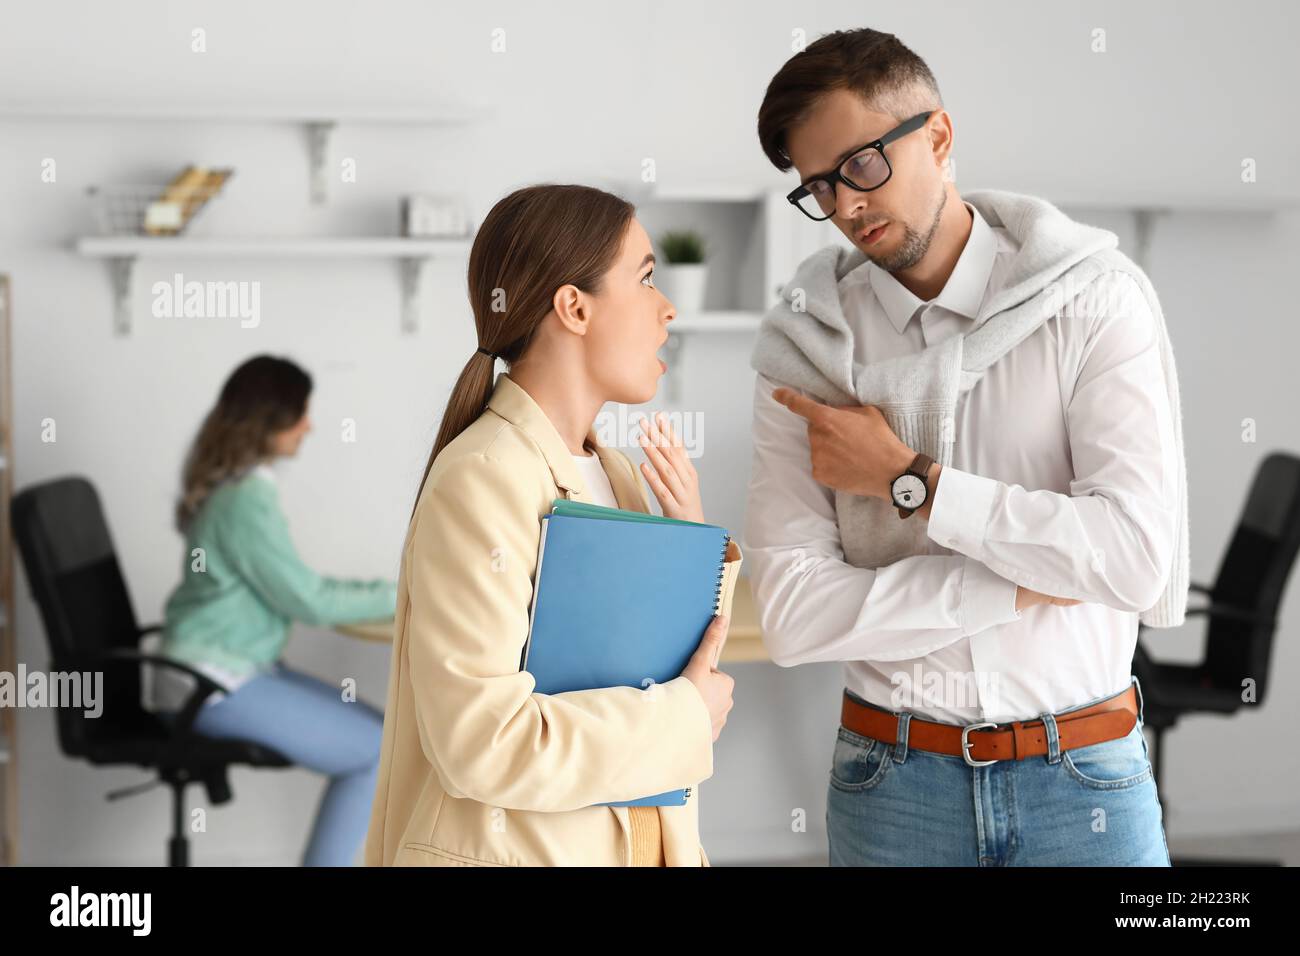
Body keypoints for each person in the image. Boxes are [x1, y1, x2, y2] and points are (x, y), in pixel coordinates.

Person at [746, 28, 1184, 865]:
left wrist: (912, 483)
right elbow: (796, 618)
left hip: (1085, 778)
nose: (845, 207)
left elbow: (1134, 558)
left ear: (937, 138)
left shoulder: (1093, 302)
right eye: (819, 188)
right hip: (892, 788)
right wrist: (1018, 584)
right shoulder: (804, 350)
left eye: (862, 166)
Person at [365, 183, 742, 867]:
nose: (669, 307)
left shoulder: (618, 473)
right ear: (573, 307)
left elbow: (664, 676)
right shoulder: (482, 476)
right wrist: (686, 716)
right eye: (647, 278)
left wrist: (692, 544)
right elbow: (483, 743)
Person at [153, 354, 398, 866]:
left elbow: (300, 593)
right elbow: (307, 600)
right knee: (378, 753)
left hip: (223, 670)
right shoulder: (244, 500)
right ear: (268, 420)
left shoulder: (238, 487)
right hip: (211, 682)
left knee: (382, 740)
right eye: (301, 413)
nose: (310, 425)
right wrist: (407, 587)